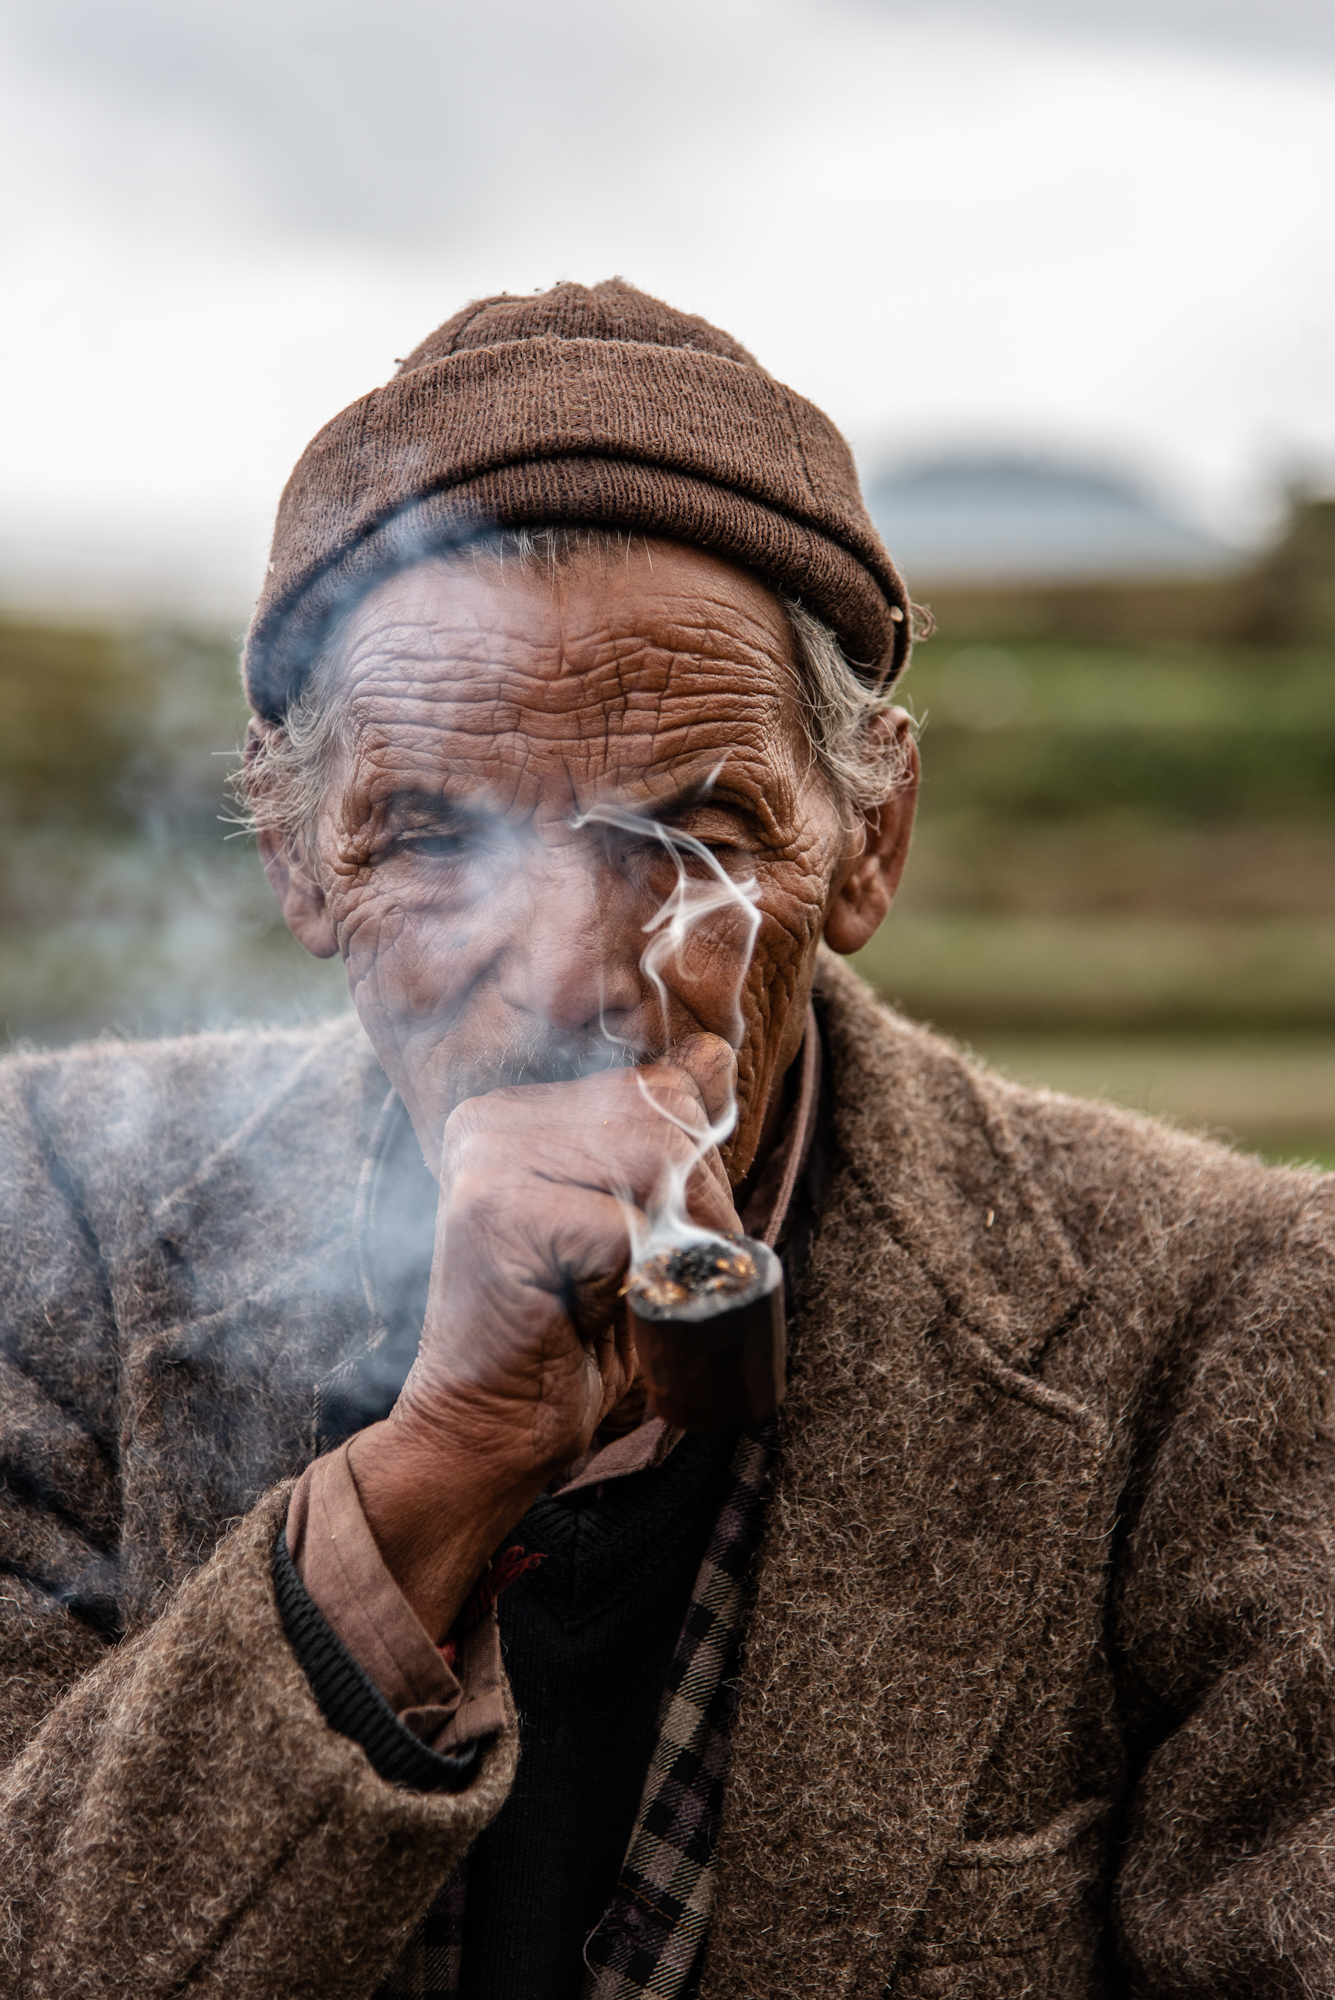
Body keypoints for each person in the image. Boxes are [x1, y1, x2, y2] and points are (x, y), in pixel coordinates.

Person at [2, 281, 1334, 2000]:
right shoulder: (46, 1223)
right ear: (300, 862)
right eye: (434, 832)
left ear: (867, 843)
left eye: (691, 824)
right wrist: (435, 1474)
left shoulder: (1233, 1325)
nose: (568, 963)